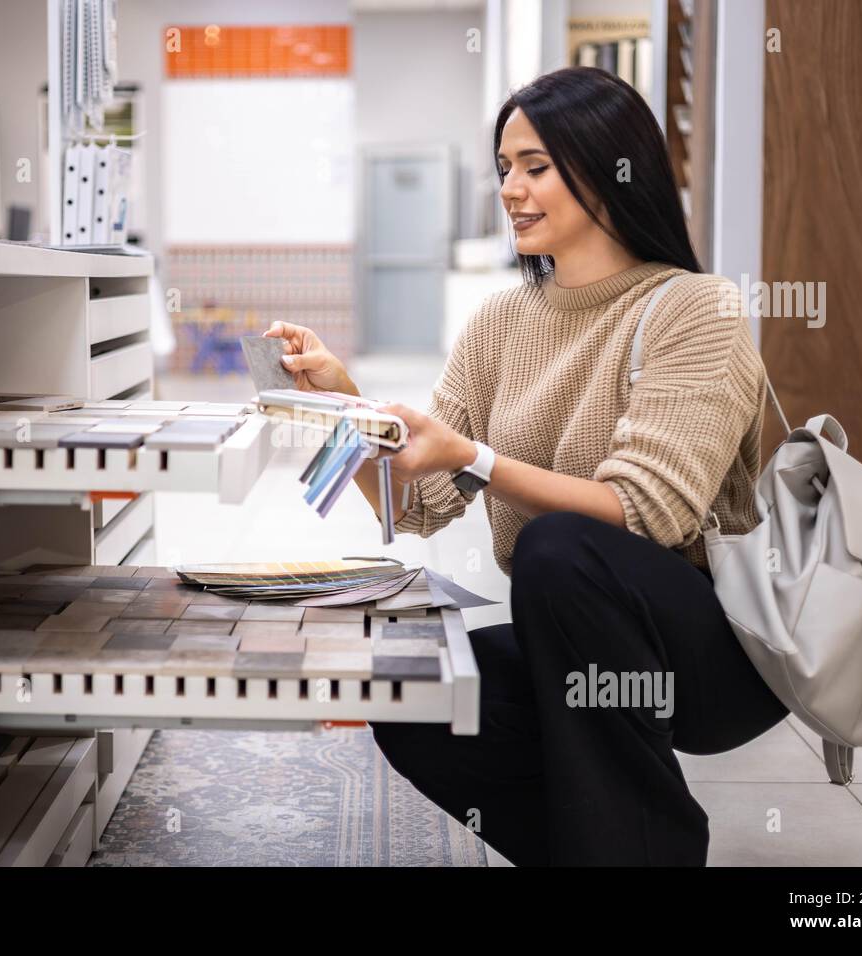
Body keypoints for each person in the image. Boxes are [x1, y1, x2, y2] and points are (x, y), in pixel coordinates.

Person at [264, 67, 787, 866]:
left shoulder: (695, 308)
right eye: (504, 168)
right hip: (573, 636)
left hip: (714, 654)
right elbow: (425, 501)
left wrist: (475, 455)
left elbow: (648, 513)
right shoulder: (502, 322)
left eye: (535, 166)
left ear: (612, 169)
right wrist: (341, 405)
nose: (511, 188)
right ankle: (628, 848)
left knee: (559, 545)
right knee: (410, 693)